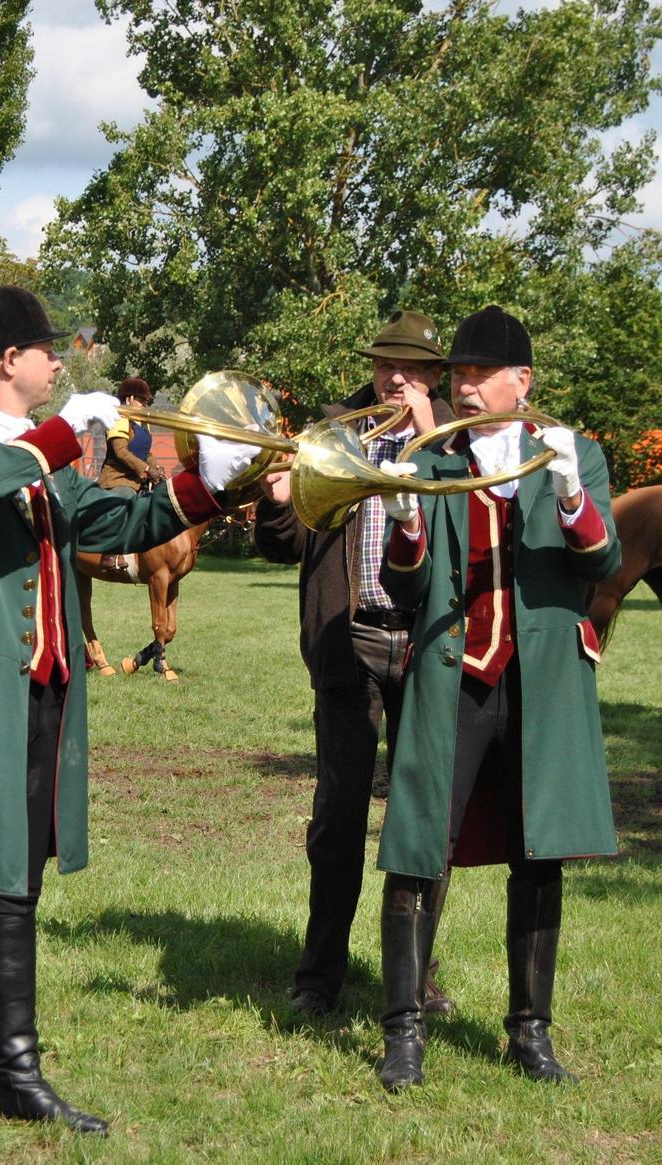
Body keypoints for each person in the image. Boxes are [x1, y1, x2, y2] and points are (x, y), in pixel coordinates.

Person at [0, 284, 259, 1159]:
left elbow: (122, 518)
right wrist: (65, 432)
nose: (58, 364)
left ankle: (16, 1071)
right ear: (5, 361)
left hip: (42, 695)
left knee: (17, 881)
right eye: (45, 352)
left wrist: (204, 486)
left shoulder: (46, 464)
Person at [373, 305, 621, 1091]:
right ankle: (403, 1032)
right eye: (459, 377)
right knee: (418, 851)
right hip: (457, 674)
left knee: (540, 853)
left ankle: (531, 1033)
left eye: (481, 375)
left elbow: (601, 561)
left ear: (525, 381)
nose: (467, 389)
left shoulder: (575, 453)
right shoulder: (435, 457)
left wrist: (574, 499)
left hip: (542, 683)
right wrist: (407, 520)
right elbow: (404, 586)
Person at [253, 309, 455, 1020]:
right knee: (336, 817)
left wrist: (431, 435)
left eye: (411, 368)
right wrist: (277, 499)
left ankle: (417, 978)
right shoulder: (333, 433)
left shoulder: (457, 440)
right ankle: (319, 977)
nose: (394, 377)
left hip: (431, 647)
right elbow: (282, 542)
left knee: (423, 820)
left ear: (436, 376)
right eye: (384, 365)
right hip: (352, 640)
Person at [98, 376, 165, 494]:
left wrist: (157, 468)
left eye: (146, 401)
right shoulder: (119, 419)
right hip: (118, 480)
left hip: (138, 480)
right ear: (129, 399)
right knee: (127, 497)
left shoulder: (143, 423)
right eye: (141, 400)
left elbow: (146, 453)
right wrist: (147, 469)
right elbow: (121, 452)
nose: (145, 405)